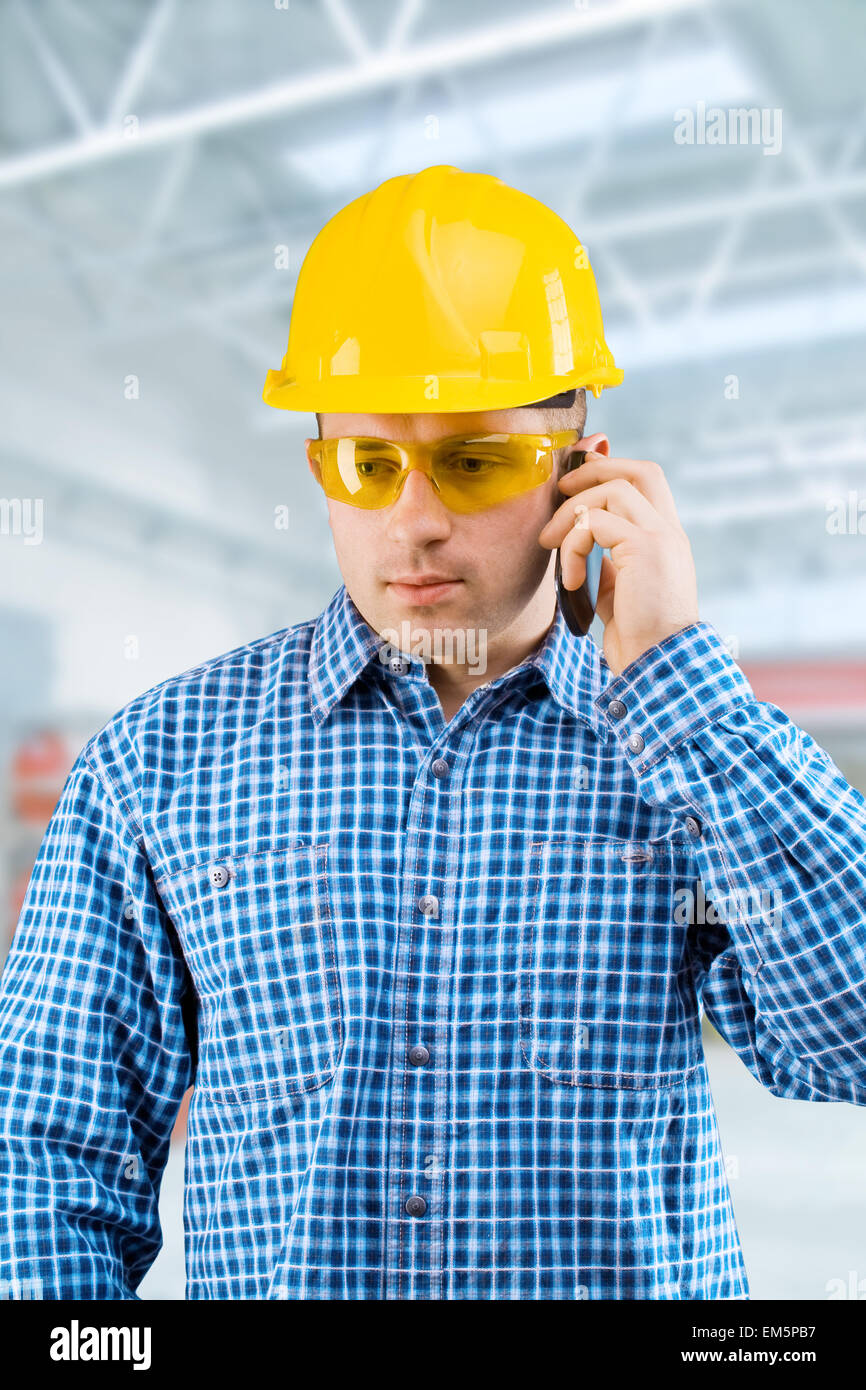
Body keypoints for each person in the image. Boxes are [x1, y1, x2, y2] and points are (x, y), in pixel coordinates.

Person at [1, 164, 865, 1301]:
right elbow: (48, 1160)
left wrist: (677, 681)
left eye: (471, 459)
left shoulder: (682, 748)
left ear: (580, 460)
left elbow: (845, 1039)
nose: (412, 520)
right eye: (367, 463)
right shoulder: (159, 765)